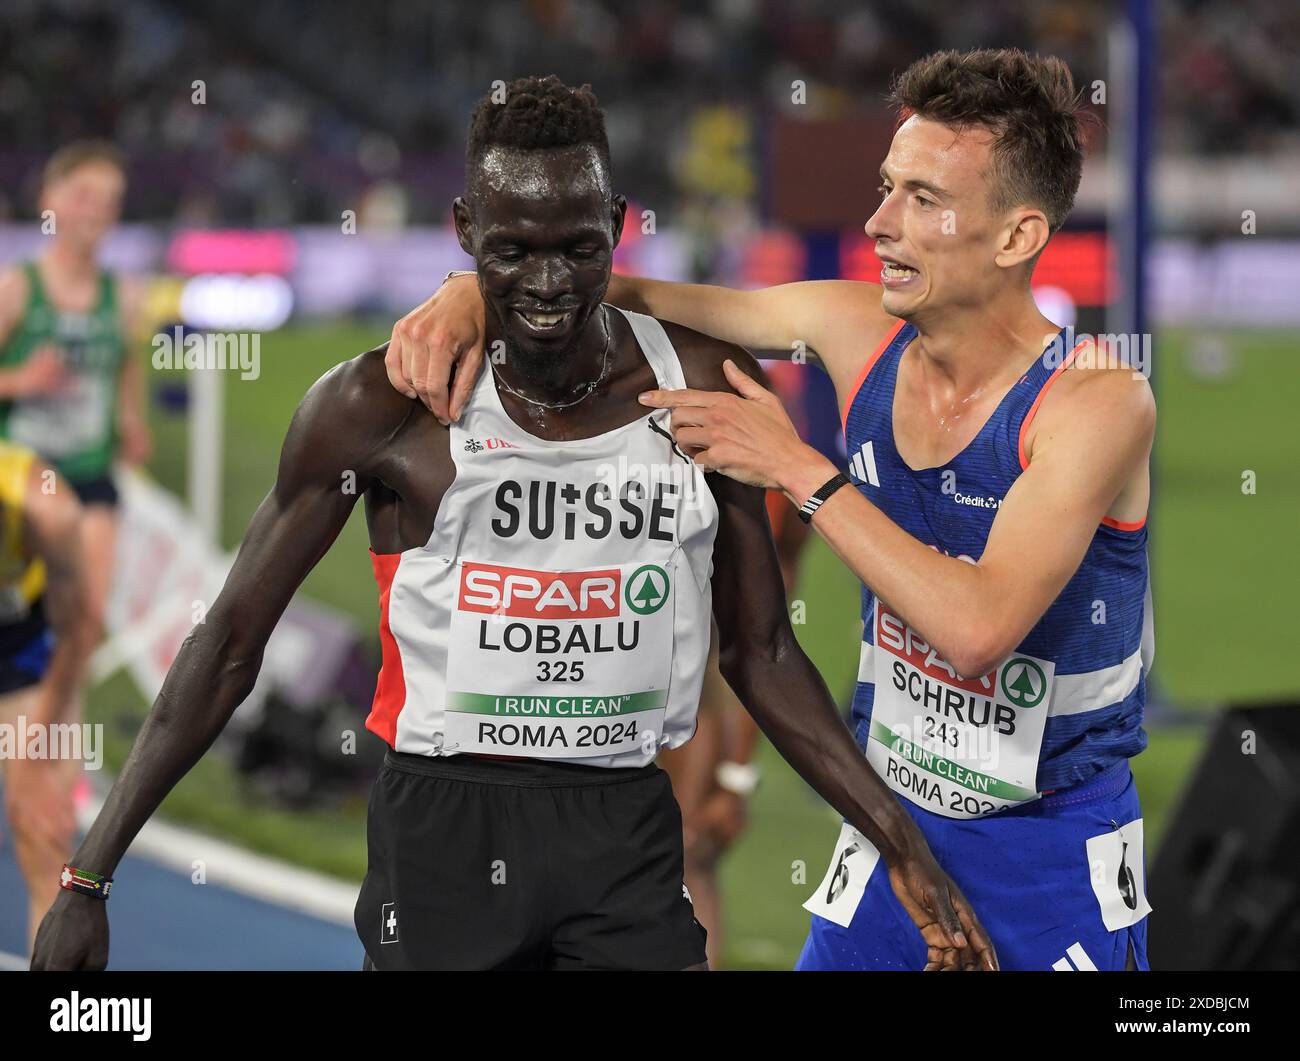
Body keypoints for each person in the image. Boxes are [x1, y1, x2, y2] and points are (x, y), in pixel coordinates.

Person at [32, 76, 995, 972]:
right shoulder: (379, 407)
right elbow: (233, 639)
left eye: (578, 247)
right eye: (511, 250)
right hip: (440, 832)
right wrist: (90, 872)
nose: (546, 284)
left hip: (623, 826)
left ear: (618, 228)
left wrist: (897, 839)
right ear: (463, 231)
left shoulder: (698, 386)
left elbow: (761, 650)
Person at [382, 50, 1156, 971]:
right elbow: (631, 294)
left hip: (1047, 853)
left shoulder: (1097, 401)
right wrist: (472, 286)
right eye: (885, 187)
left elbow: (979, 627)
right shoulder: (851, 325)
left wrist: (796, 467)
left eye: (923, 199)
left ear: (1019, 235)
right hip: (888, 828)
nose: (878, 224)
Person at [0, 140, 153, 700]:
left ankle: (57, 741)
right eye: (84, 194)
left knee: (85, 618)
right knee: (21, 622)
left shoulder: (126, 297)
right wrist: (21, 381)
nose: (96, 210)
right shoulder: (17, 290)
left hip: (89, 474)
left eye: (110, 200)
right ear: (49, 199)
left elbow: (128, 363)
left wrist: (131, 422)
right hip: (18, 481)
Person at [0, 440, 93, 951]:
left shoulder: (46, 507)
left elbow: (80, 630)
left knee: (42, 836)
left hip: (25, 651)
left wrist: (35, 753)